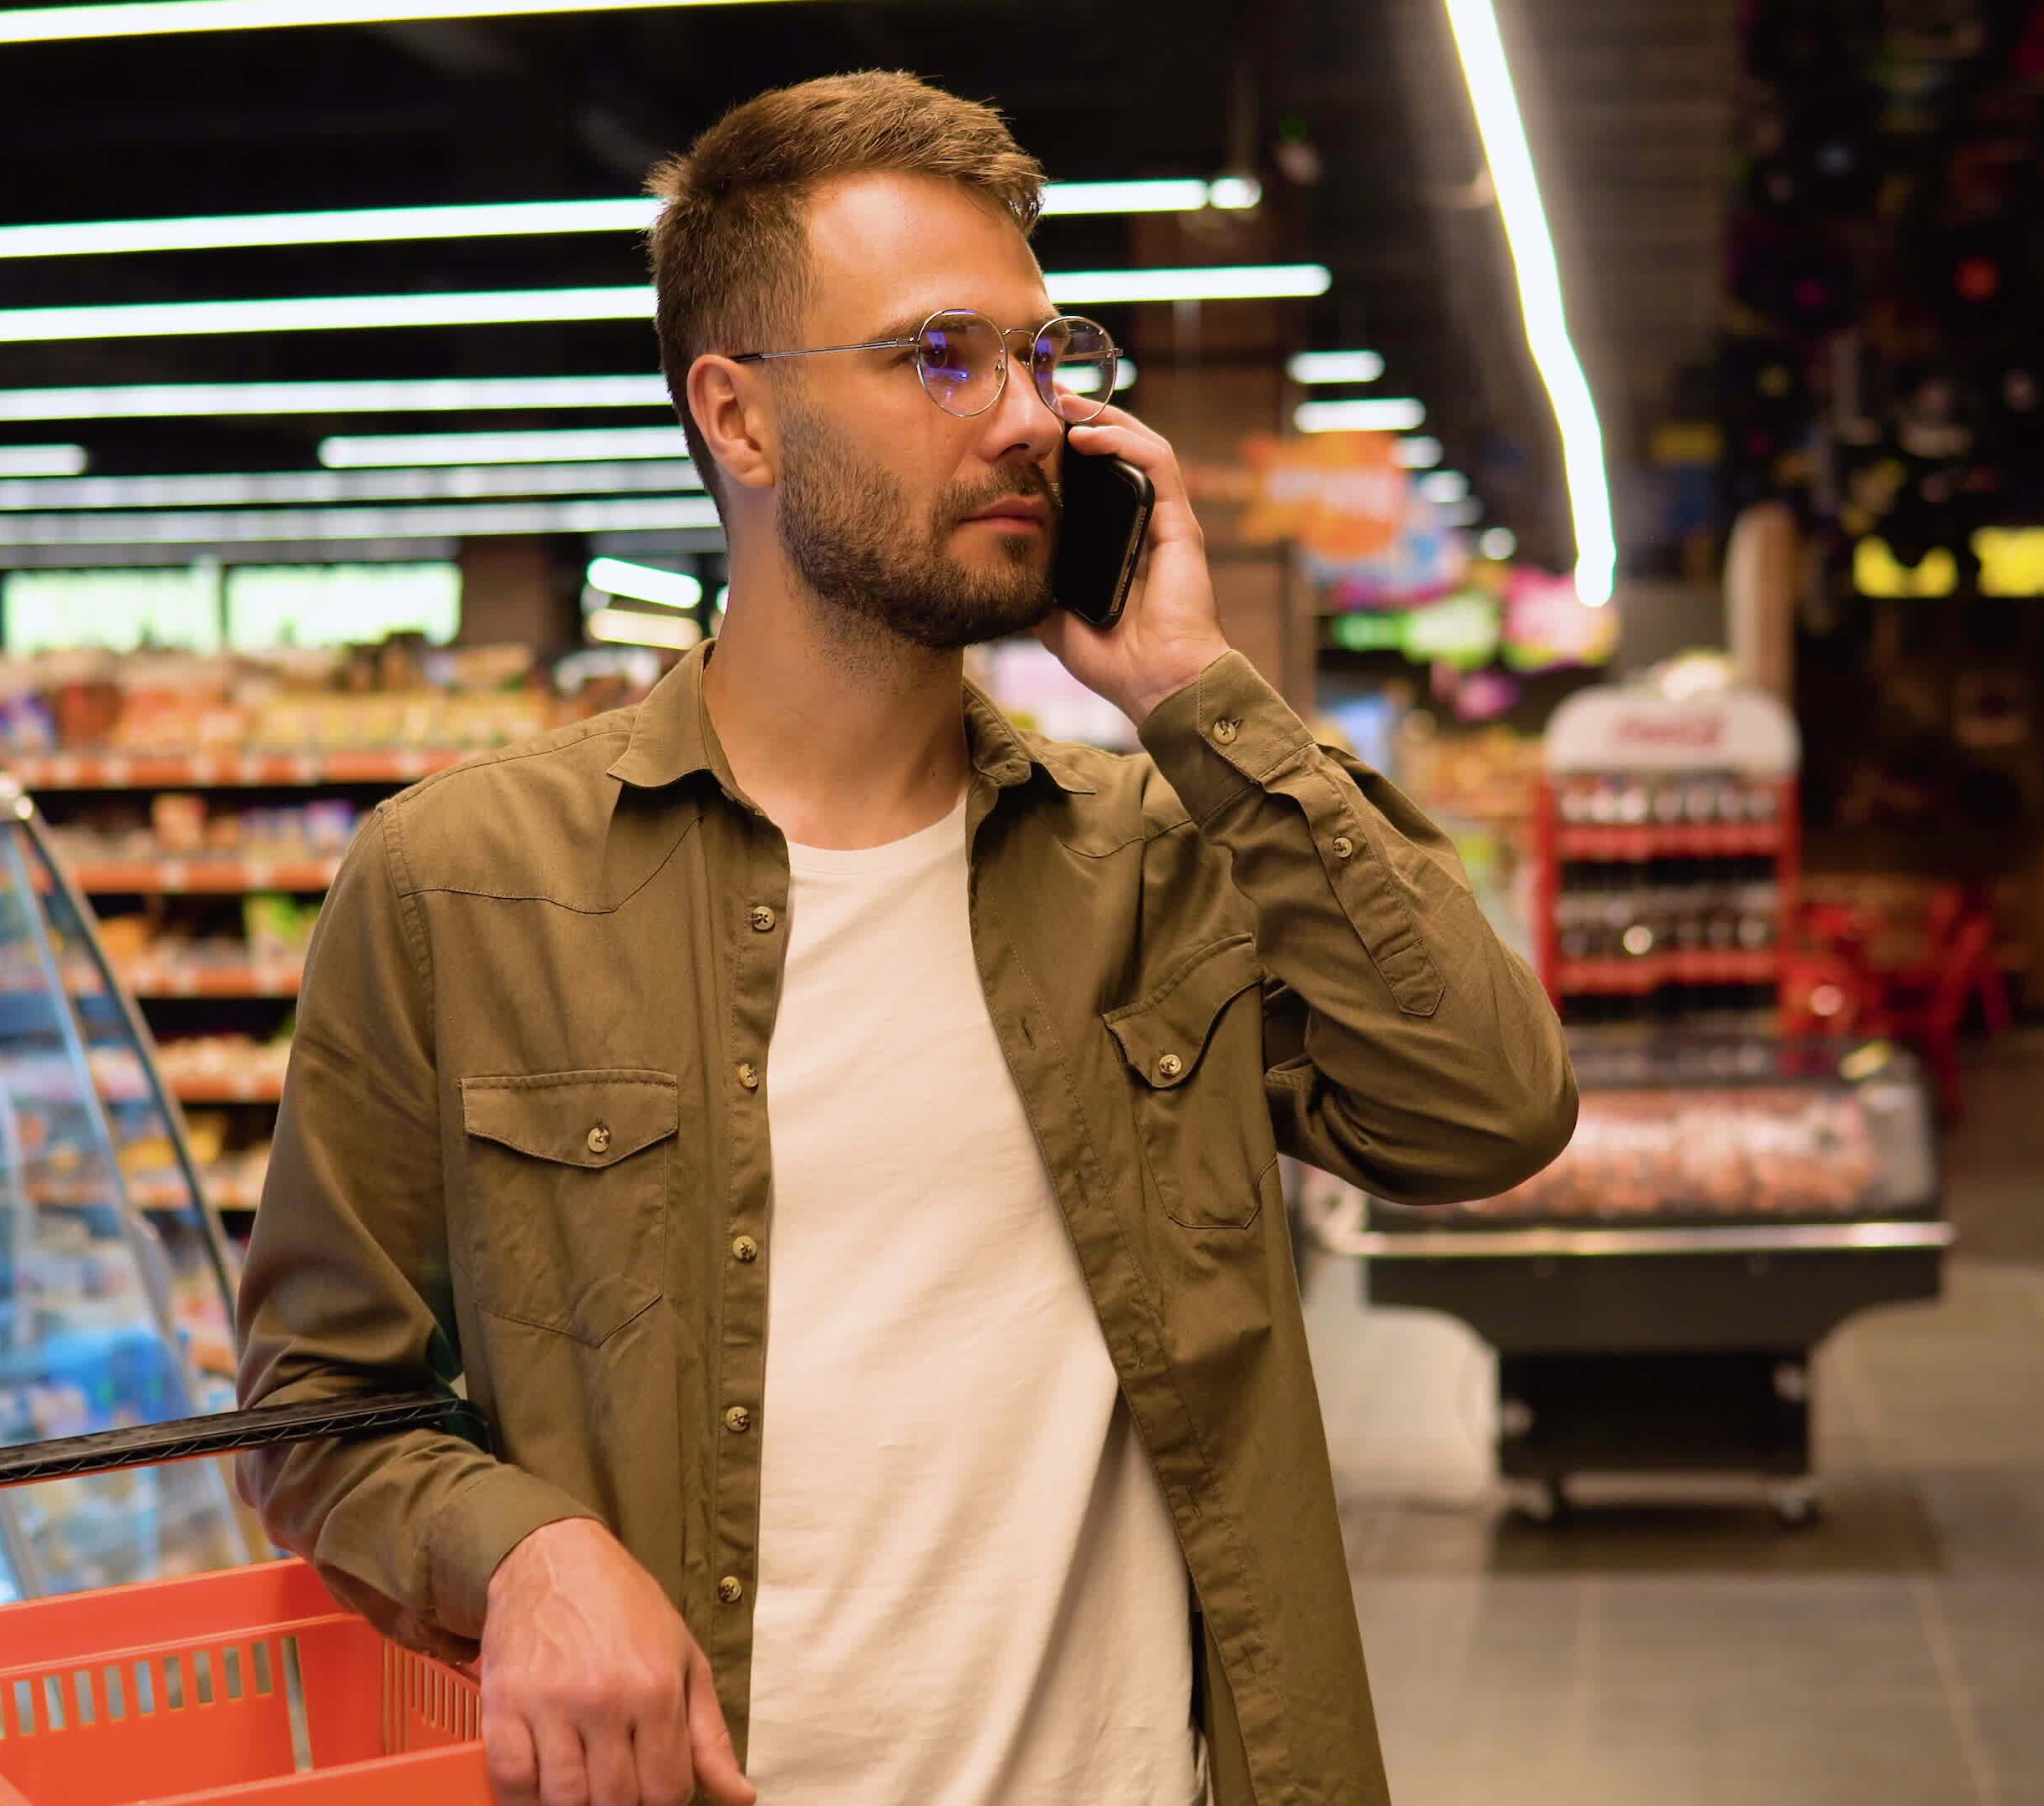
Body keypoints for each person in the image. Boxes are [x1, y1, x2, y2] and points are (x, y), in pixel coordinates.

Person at [232, 69, 1577, 1806]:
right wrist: (527, 1551)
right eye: (941, 357)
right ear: (740, 418)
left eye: (1044, 354)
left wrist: (1195, 695)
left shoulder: (1156, 857)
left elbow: (1487, 1106)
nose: (1030, 417)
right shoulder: (460, 887)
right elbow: (314, 1416)